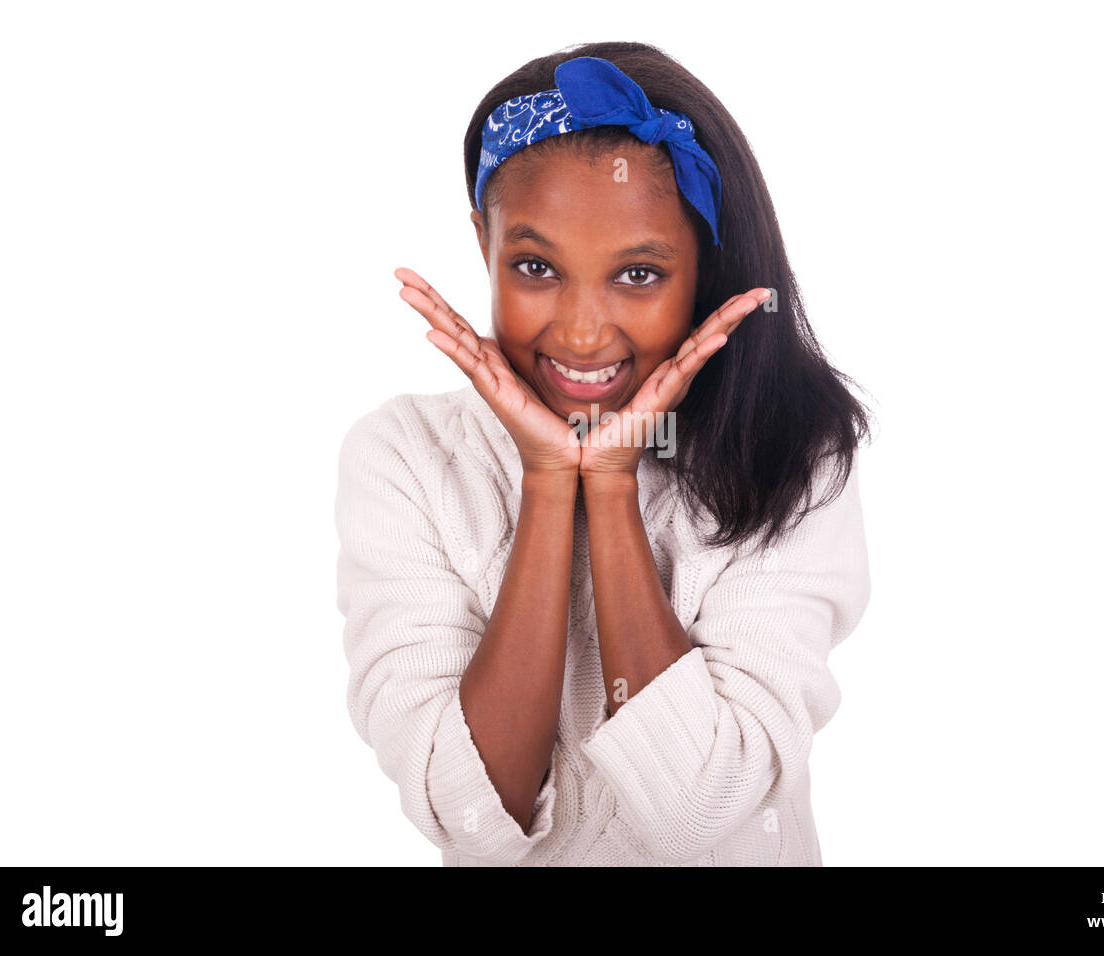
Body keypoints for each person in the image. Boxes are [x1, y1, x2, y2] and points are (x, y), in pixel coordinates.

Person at [334, 41, 874, 866]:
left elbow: (700, 810)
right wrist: (550, 481)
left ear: (704, 269)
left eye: (638, 275)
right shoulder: (405, 456)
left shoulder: (794, 454)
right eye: (536, 266)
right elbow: (469, 814)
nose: (583, 333)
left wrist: (612, 485)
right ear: (484, 244)